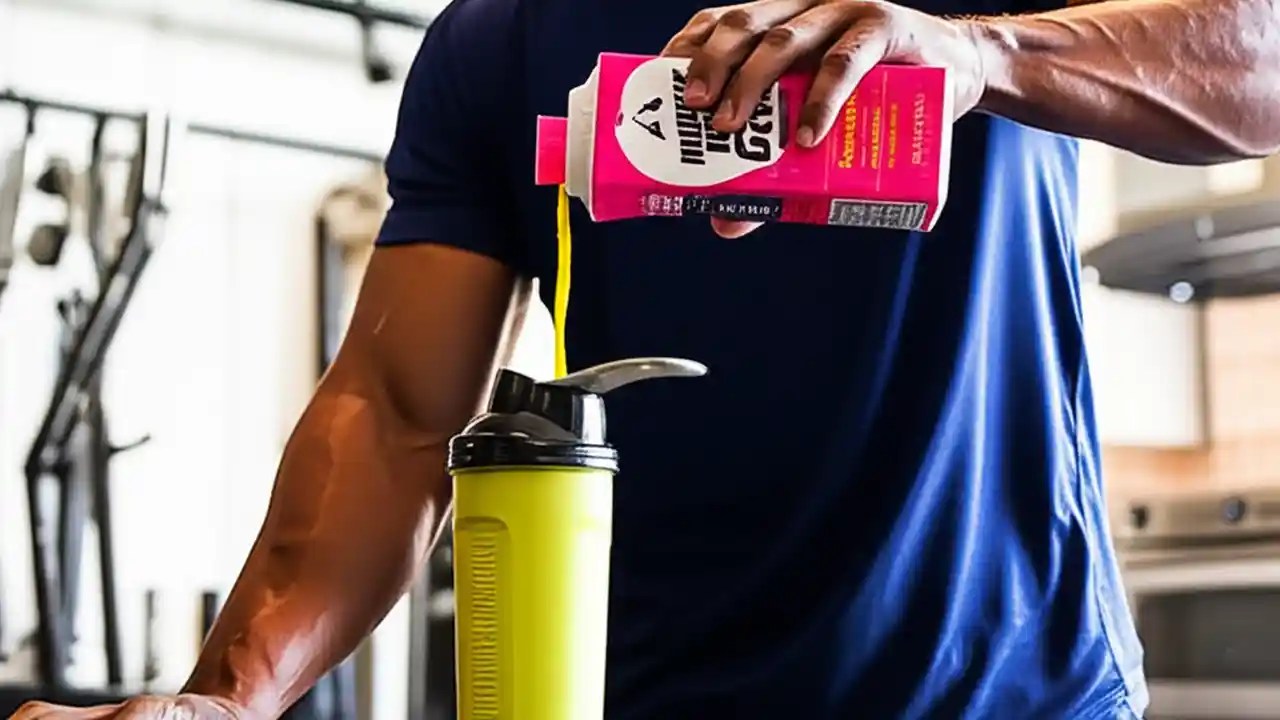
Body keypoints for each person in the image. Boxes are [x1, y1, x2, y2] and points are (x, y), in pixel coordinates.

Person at [14, 0, 1278, 718]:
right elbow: (395, 414)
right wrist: (232, 696)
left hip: (1009, 694)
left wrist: (985, 57)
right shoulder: (503, 37)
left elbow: (1260, 64)